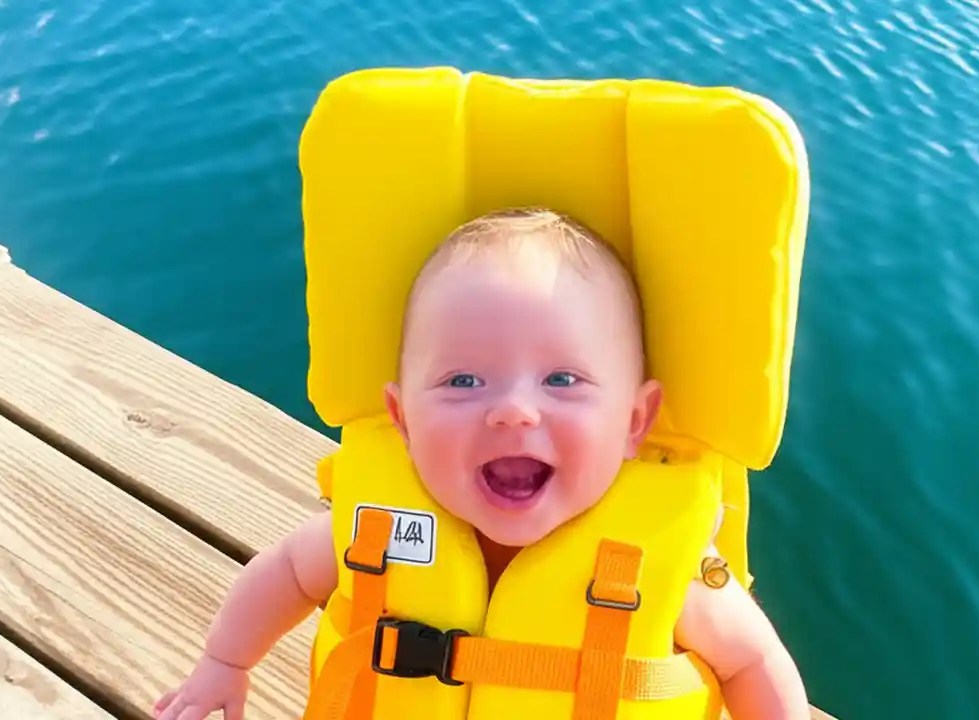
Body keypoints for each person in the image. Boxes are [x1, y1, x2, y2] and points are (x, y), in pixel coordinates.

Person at [153, 208, 810, 720]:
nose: (514, 411)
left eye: (562, 379)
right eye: (463, 382)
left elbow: (753, 661)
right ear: (404, 420)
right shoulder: (379, 531)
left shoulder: (667, 572)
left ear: (634, 423)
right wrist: (224, 662)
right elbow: (286, 573)